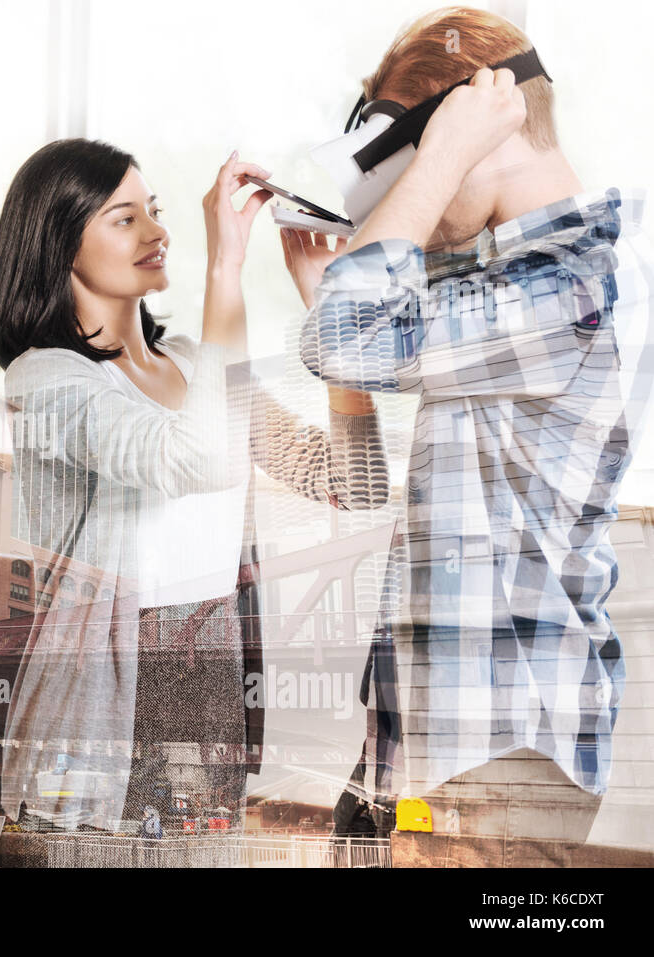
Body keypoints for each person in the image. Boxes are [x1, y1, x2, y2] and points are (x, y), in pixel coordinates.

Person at [287, 7, 654, 857]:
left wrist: (441, 154)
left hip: (496, 754)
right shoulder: (518, 276)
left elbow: (344, 334)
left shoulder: (574, 282)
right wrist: (332, 286)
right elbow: (351, 349)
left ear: (475, 128)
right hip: (436, 753)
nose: (409, 197)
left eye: (417, 163)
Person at [0, 138, 390, 840]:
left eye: (155, 211)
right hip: (99, 714)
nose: (157, 232)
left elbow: (356, 483)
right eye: (124, 218)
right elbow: (199, 457)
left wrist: (332, 315)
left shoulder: (196, 364)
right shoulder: (46, 379)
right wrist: (225, 268)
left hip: (208, 693)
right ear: (59, 244)